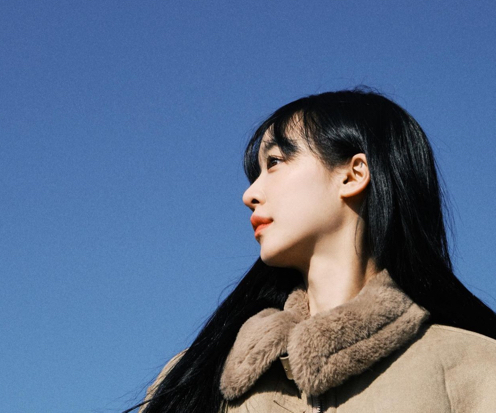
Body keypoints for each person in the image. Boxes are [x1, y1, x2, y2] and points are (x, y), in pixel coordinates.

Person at [128, 88, 496, 413]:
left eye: (274, 162)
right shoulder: (189, 382)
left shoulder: (476, 367)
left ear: (352, 175)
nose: (249, 194)